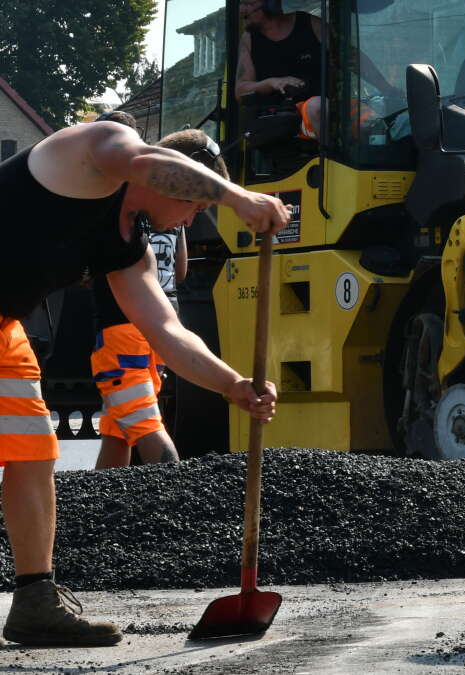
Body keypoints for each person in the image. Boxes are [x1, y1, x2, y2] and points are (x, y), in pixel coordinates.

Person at [0, 119, 287, 647]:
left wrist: (233, 384)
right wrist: (235, 197)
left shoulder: (127, 245)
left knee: (33, 451)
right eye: (195, 204)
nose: (194, 215)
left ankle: (35, 600)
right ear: (178, 178)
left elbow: (167, 332)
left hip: (3, 328)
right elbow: (141, 162)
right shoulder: (94, 153)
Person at [90, 112, 188, 469]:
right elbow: (180, 269)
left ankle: (175, 503)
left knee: (145, 426)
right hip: (160, 326)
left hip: (121, 326)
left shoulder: (111, 198)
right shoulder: (168, 202)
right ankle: (100, 510)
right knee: (119, 428)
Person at [235, 0, 400, 141]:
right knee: (317, 106)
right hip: (284, 119)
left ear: (271, 3)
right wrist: (272, 83)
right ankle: (333, 161)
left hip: (331, 110)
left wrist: (387, 88)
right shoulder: (249, 40)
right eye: (240, 4)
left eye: (248, 4)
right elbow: (240, 90)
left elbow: (351, 57)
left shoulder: (310, 25)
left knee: (376, 121)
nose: (241, 10)